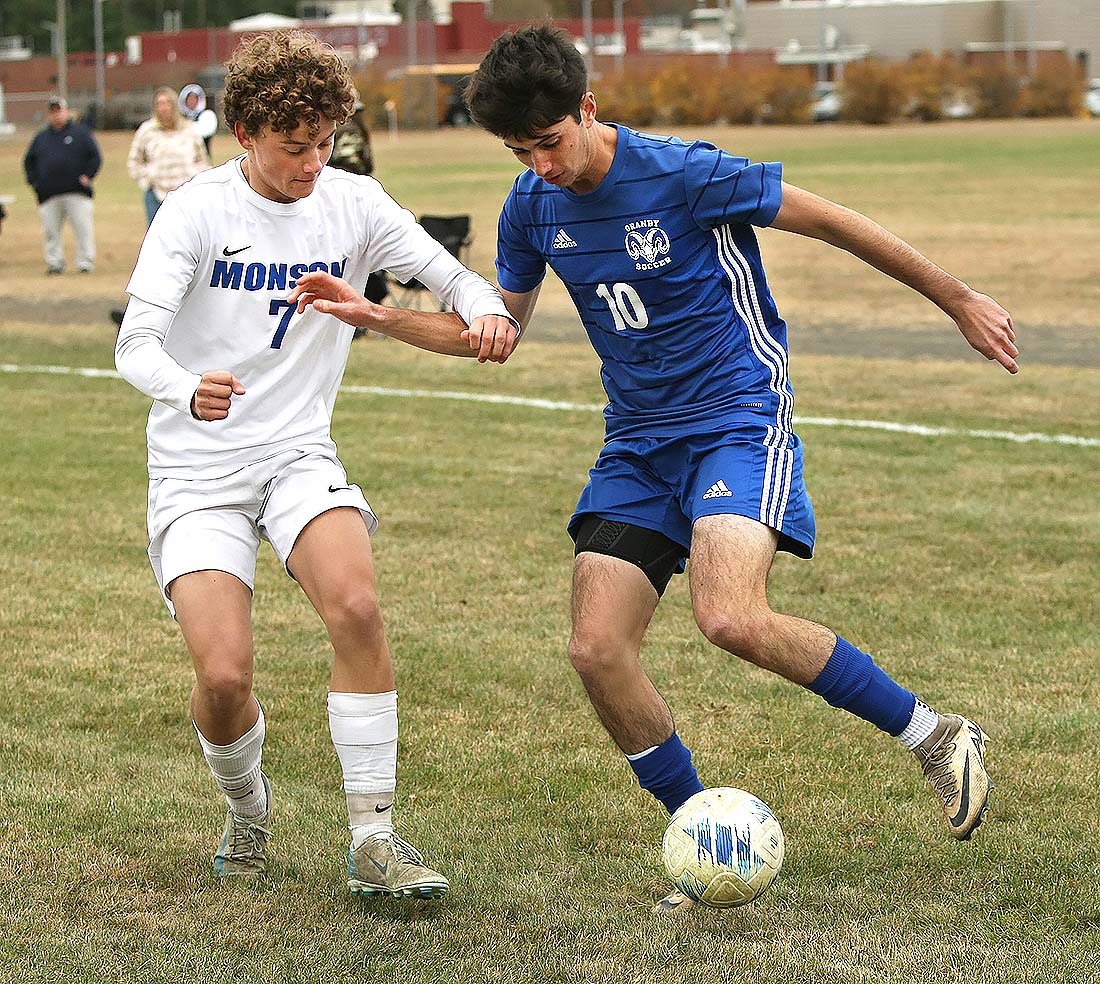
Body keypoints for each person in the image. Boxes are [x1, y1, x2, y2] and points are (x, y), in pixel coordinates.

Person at [459, 26, 1017, 910]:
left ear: (588, 110)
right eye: (519, 151)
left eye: (550, 143)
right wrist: (367, 313)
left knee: (731, 618)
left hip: (735, 415)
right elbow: (495, 329)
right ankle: (701, 831)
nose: (540, 166)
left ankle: (935, 733)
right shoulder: (529, 205)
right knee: (597, 650)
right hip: (637, 443)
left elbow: (831, 220)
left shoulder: (685, 173)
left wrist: (956, 297)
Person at [113, 29, 518, 898]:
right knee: (223, 675)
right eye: (294, 148)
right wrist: (187, 388)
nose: (312, 163)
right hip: (196, 469)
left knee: (359, 605)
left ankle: (375, 838)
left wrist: (482, 308)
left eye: (324, 142)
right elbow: (134, 345)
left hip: (297, 452)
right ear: (246, 135)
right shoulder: (196, 211)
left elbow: (451, 279)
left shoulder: (355, 201)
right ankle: (249, 811)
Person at [326, 101, 391, 322]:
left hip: (338, 200)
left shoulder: (340, 132)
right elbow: (368, 164)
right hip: (351, 198)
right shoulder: (358, 132)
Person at [22, 96, 101, 275]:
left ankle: (85, 262)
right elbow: (29, 162)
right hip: (49, 193)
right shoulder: (41, 138)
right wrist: (35, 182)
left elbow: (95, 157)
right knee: (51, 232)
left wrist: (88, 176)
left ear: (66, 111)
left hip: (77, 192)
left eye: (59, 111)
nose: (56, 115)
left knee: (83, 229)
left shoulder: (81, 133)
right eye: (53, 112)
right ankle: (54, 263)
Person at [127, 86, 210, 227]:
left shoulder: (189, 130)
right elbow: (134, 161)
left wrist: (196, 177)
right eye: (160, 103)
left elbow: (203, 160)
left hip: (187, 196)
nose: (164, 108)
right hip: (157, 195)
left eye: (167, 103)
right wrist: (148, 178)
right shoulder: (147, 131)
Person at [179, 83, 218, 158]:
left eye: (194, 99)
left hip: (201, 159)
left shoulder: (207, 115)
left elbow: (205, 131)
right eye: (189, 99)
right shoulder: (181, 117)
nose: (191, 101)